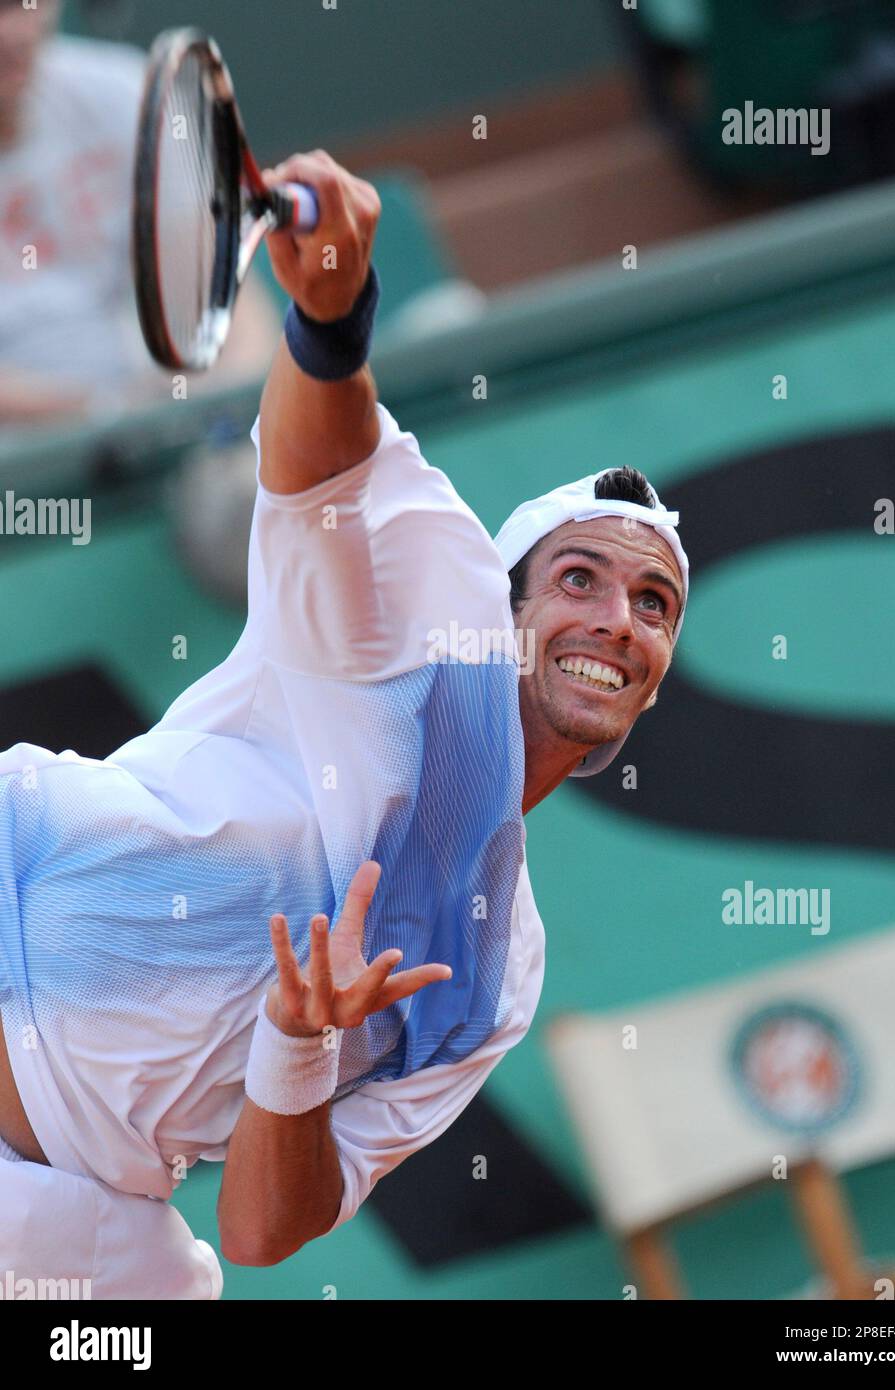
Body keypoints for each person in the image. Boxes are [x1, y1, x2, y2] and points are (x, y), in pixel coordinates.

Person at [0, 150, 689, 1297]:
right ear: (504, 605)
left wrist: (299, 1039)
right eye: (579, 579)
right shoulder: (414, 630)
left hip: (59, 1224)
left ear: (657, 675)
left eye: (653, 605)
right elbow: (319, 461)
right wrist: (330, 317)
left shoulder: (496, 974)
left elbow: (269, 1227)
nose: (617, 619)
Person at [0, 0, 276, 428]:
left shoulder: (125, 92)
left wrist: (230, 405)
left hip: (150, 431)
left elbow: (228, 305)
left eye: (20, 5)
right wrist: (107, 413)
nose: (11, 33)